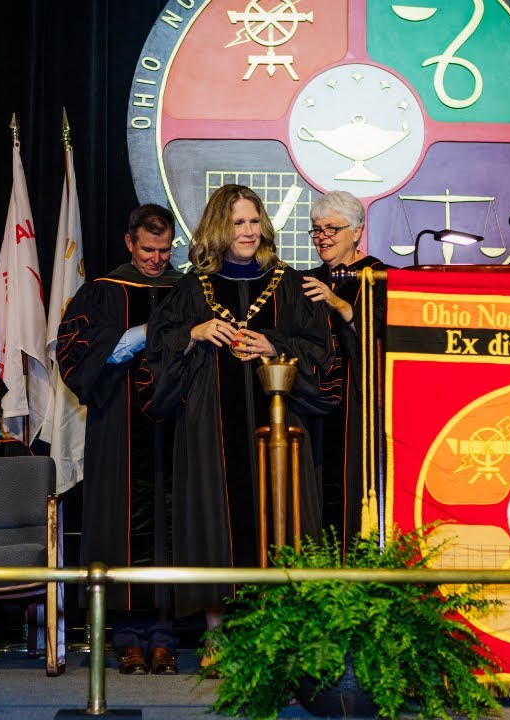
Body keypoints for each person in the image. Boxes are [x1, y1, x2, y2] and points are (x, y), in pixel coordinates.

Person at [145, 184, 337, 640]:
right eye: (237, 223)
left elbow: (321, 353)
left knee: (279, 518)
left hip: (277, 428)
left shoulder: (289, 284)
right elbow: (159, 346)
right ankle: (216, 634)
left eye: (254, 221)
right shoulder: (193, 287)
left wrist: (275, 345)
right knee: (216, 518)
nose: (248, 231)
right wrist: (194, 331)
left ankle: (278, 634)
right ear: (218, 227)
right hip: (211, 425)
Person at [57, 204, 183, 675]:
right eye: (148, 250)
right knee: (120, 528)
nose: (156, 260)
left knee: (171, 531)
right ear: (129, 242)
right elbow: (74, 356)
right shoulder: (102, 291)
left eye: (165, 251)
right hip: (118, 429)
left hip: (175, 429)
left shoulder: (185, 289)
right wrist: (144, 335)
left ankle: (165, 638)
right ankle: (127, 639)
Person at [300, 191, 387, 547]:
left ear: (357, 231)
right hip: (315, 402)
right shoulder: (307, 280)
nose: (323, 237)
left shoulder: (379, 277)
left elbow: (381, 334)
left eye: (332, 228)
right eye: (317, 229)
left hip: (361, 401)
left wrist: (338, 303)